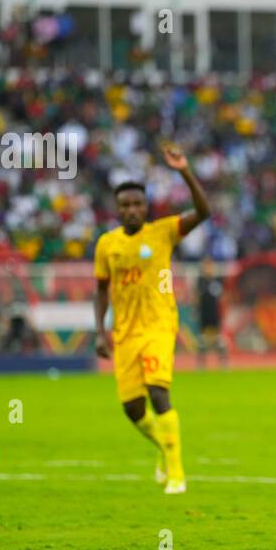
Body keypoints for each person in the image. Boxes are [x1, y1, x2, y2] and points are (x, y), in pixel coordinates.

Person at [93, 144, 210, 495]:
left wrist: (185, 171)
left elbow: (204, 212)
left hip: (159, 326)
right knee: (132, 408)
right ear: (117, 209)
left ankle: (176, 473)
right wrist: (99, 332)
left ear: (146, 207)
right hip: (124, 334)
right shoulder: (106, 245)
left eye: (137, 204)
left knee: (159, 394)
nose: (131, 210)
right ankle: (163, 447)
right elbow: (100, 290)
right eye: (125, 205)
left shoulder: (163, 232)